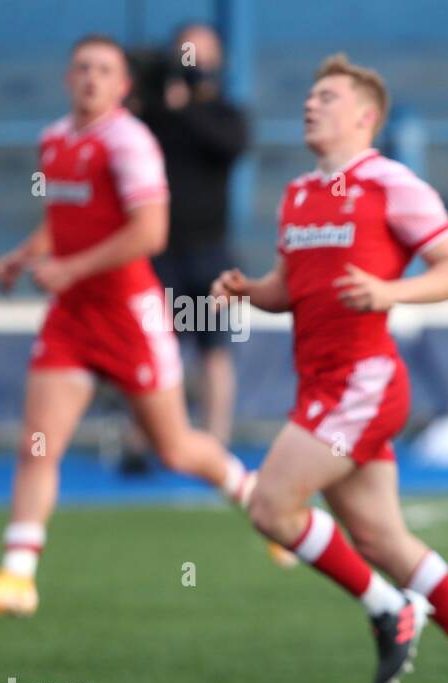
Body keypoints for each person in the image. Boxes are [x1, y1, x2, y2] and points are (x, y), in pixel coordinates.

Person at [210, 54, 448, 683]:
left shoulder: (392, 184)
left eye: (326, 96)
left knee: (271, 507)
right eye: (308, 95)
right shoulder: (298, 193)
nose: (310, 105)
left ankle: (388, 609)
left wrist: (390, 289)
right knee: (383, 540)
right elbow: (291, 289)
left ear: (366, 116)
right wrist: (250, 291)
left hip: (363, 382)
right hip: (321, 384)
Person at [0, 35, 252, 617]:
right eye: (81, 66)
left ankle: (252, 493)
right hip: (72, 318)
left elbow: (149, 233)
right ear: (67, 77)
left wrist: (70, 268)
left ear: (123, 85)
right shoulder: (54, 139)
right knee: (40, 444)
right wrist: (26, 255)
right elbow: (66, 219)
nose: (90, 77)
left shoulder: (129, 141)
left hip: (129, 315)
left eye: (104, 69)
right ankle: (17, 574)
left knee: (177, 449)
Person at [140, 22, 248, 447]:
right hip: (158, 252)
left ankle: (214, 442)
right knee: (152, 349)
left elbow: (230, 146)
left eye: (203, 57)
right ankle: (147, 440)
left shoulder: (224, 113)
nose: (195, 66)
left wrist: (187, 107)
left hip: (208, 252)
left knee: (213, 349)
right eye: (188, 56)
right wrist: (164, 100)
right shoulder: (153, 113)